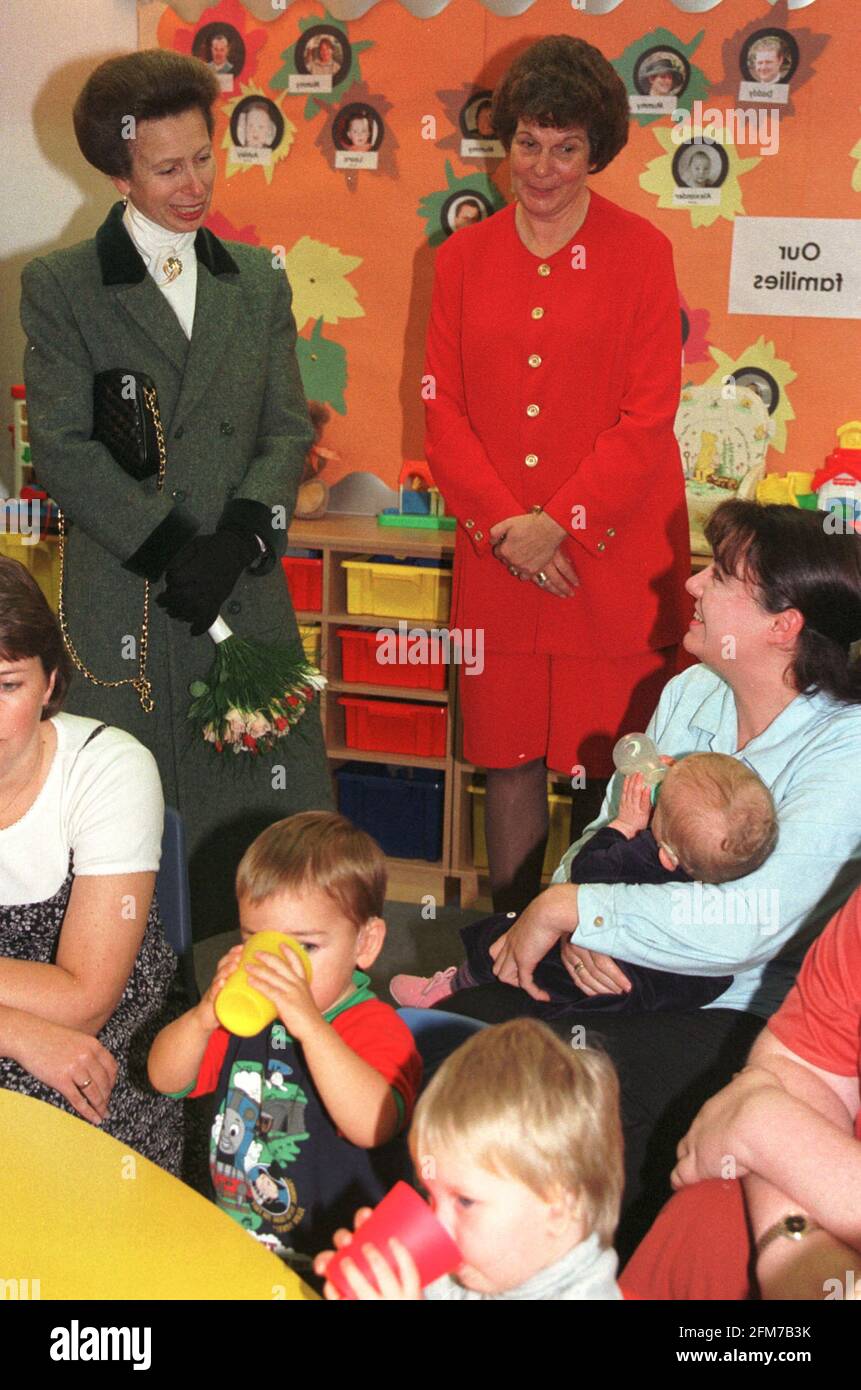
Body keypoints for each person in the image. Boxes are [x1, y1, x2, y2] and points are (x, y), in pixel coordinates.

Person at [438, 500, 861, 1259]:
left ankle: (582, 1269)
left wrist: (577, 908)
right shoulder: (689, 691)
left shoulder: (846, 749)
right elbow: (610, 826)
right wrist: (571, 915)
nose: (692, 584)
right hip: (622, 958)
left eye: (719, 575)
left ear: (782, 626)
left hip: (741, 1007)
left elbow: (751, 922)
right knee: (462, 1031)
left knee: (562, 1089)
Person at [20, 51, 333, 942]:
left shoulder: (257, 279)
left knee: (265, 826)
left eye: (203, 157)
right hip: (130, 594)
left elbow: (283, 428)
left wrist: (240, 533)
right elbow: (65, 451)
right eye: (167, 168)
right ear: (118, 172)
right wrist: (171, 547)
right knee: (129, 832)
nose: (194, 184)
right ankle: (134, 1031)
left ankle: (261, 1022)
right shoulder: (62, 286)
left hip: (242, 591)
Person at [424, 35, 691, 915]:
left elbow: (649, 413)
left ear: (596, 151)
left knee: (601, 766)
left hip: (607, 561)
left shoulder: (642, 252)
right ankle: (507, 942)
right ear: (505, 143)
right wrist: (509, 526)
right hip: (498, 554)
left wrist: (561, 523)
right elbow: (442, 411)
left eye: (565, 146)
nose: (542, 167)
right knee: (505, 759)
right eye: (527, 143)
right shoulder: (459, 260)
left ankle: (585, 938)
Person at [148, 812, 422, 1264]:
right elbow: (163, 1077)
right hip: (239, 1241)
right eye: (257, 939)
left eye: (306, 947)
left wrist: (311, 1027)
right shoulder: (246, 1020)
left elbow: (372, 1124)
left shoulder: (374, 1028)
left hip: (338, 1258)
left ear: (365, 944)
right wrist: (202, 1018)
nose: (280, 967)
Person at [0, 557, 182, 1173]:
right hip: (35, 1038)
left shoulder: (109, 771)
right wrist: (17, 1032)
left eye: (7, 686)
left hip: (97, 1056)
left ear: (50, 683)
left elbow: (84, 1002)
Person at [392, 752, 777, 1014]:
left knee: (501, 932)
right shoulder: (720, 889)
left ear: (668, 856)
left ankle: (458, 985)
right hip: (635, 999)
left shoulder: (641, 856)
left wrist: (623, 826)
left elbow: (585, 875)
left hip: (569, 977)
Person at [623, 883, 861, 1300]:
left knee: (582, 1077)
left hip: (734, 997)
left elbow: (747, 927)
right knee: (705, 1216)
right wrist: (792, 1246)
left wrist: (763, 1129)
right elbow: (801, 1067)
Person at [313, 1019, 624, 1300]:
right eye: (430, 1195)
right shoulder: (479, 1263)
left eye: (464, 1201)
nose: (438, 1224)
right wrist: (377, 1277)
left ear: (559, 1208)